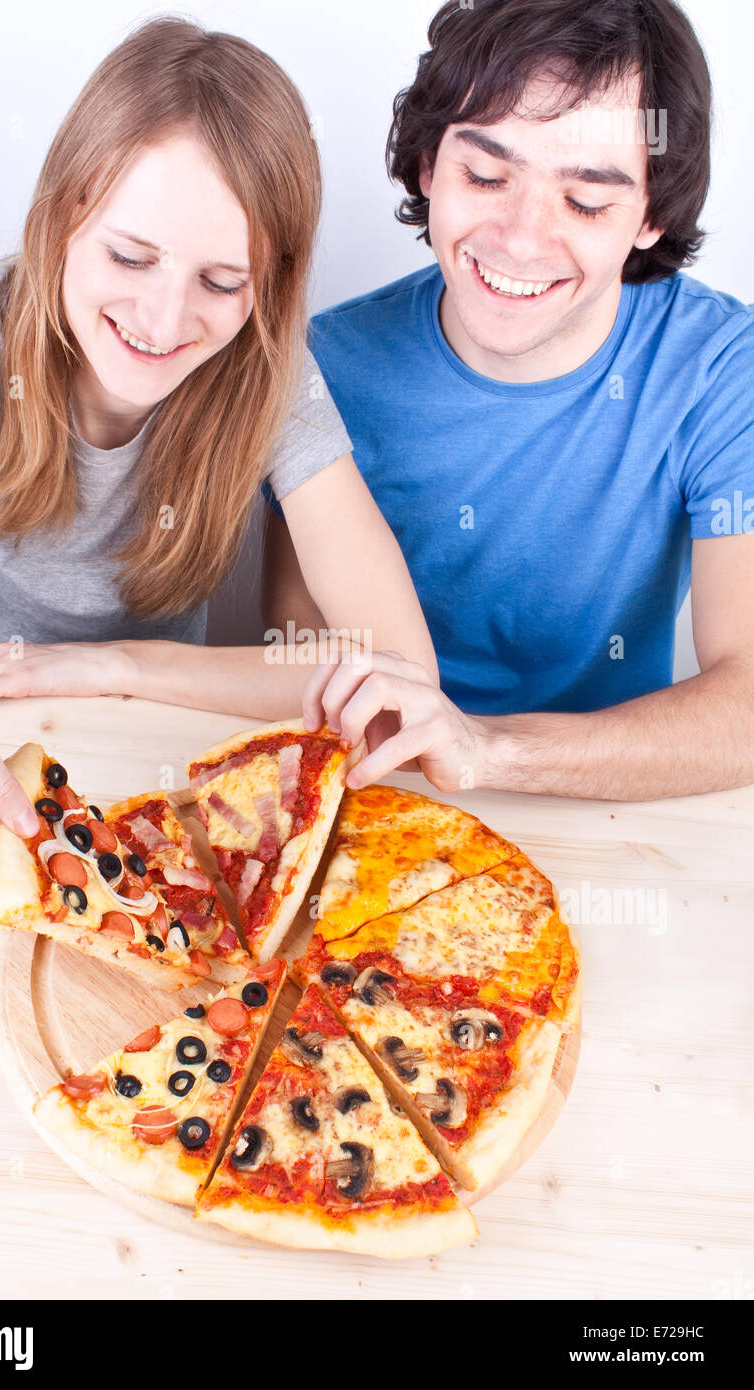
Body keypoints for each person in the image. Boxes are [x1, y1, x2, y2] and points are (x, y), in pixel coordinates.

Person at [0, 16, 436, 913]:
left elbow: (398, 677)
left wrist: (117, 666)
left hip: (150, 776)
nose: (166, 317)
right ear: (63, 218)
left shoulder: (268, 376)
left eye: (222, 282)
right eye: (130, 256)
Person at [268, 0, 754, 802]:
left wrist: (489, 751)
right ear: (428, 165)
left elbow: (745, 703)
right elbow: (298, 656)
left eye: (587, 201)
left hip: (618, 801)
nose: (522, 239)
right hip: (382, 798)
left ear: (651, 214)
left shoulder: (720, 366)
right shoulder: (326, 366)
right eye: (486, 175)